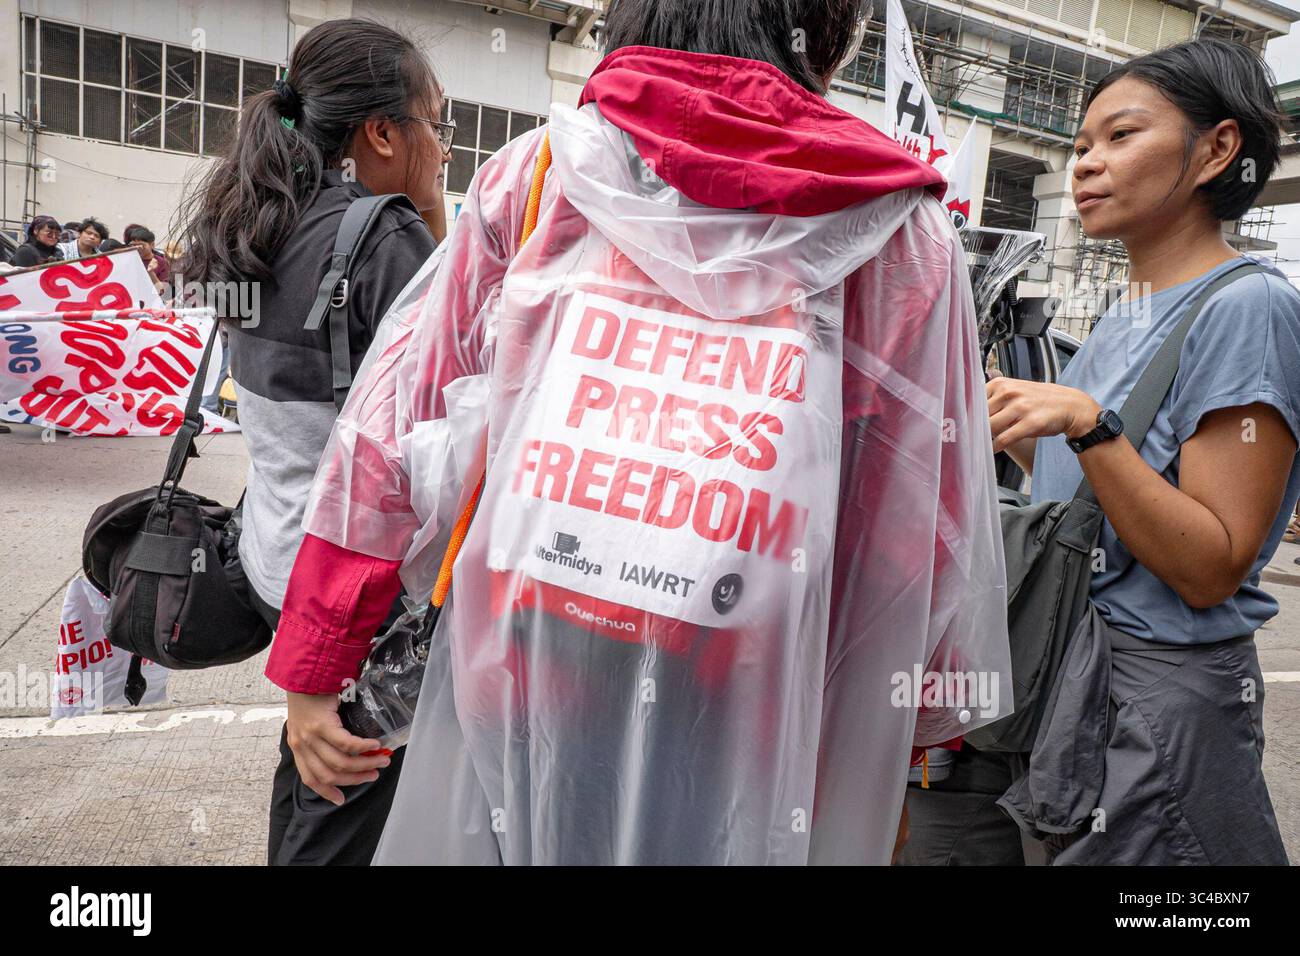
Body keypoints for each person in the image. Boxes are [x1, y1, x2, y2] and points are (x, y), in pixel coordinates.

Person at [266, 0, 1011, 865]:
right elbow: (914, 524)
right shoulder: (904, 232)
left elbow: (395, 429)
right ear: (827, 36)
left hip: (531, 669)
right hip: (752, 709)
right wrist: (889, 750)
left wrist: (318, 663)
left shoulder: (541, 174)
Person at [908, 37, 1297, 866]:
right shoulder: (1122, 318)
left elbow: (1212, 565)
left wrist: (1088, 423)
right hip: (1053, 672)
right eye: (1081, 145)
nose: (1086, 164)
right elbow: (1085, 510)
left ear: (1218, 150)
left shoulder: (1247, 306)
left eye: (1120, 137)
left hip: (1152, 699)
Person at [180, 16, 448, 866]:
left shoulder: (255, 218)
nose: (441, 146)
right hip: (347, 592)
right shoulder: (380, 237)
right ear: (380, 132)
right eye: (433, 122)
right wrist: (430, 223)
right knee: (338, 803)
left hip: (271, 553)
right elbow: (440, 410)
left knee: (314, 769)